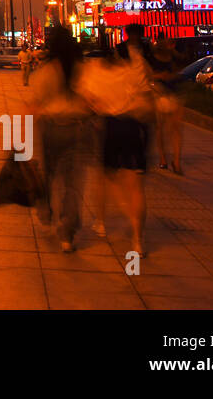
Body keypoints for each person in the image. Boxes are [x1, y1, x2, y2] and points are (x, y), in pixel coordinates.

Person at [77, 26, 157, 256]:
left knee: (103, 177)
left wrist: (95, 110)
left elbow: (86, 100)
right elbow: (147, 87)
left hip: (110, 126)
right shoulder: (135, 70)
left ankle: (101, 221)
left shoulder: (97, 73)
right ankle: (137, 241)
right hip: (133, 127)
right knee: (136, 187)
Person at [26, 26, 93, 252]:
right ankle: (67, 234)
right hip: (76, 128)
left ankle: (46, 216)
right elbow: (91, 101)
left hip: (51, 128)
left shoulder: (46, 72)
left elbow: (35, 105)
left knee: (48, 175)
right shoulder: (81, 70)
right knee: (72, 184)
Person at [149, 34, 186, 173]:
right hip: (158, 94)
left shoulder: (174, 57)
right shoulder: (151, 58)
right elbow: (146, 74)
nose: (163, 44)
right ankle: (163, 158)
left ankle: (176, 161)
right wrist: (159, 76)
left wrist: (172, 75)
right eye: (161, 42)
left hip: (174, 93)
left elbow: (181, 71)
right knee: (160, 128)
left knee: (175, 129)